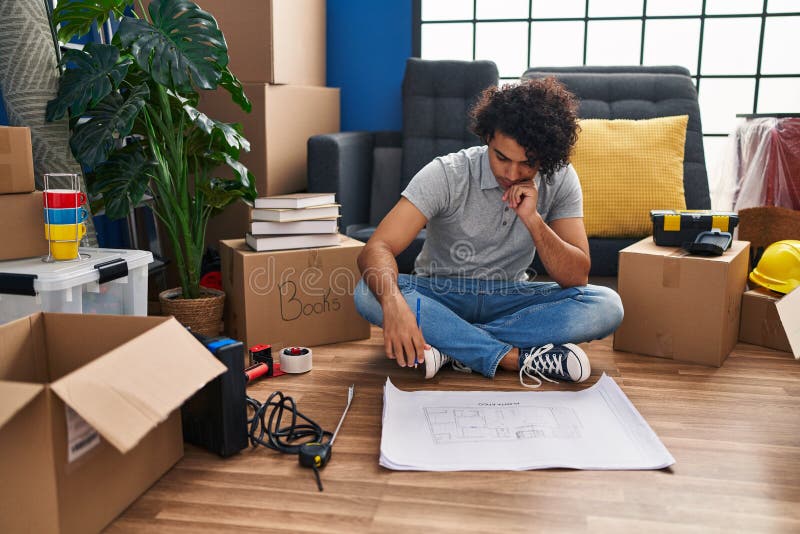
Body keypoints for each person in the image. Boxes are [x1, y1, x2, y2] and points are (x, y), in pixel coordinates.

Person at [354, 77, 624, 387]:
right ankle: (511, 357)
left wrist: (533, 219)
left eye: (528, 163)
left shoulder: (560, 178)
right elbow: (377, 248)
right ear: (487, 139)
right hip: (441, 293)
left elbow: (576, 277)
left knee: (605, 305)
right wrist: (394, 305)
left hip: (510, 296)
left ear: (547, 157)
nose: (511, 174)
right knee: (367, 291)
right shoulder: (447, 173)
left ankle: (450, 345)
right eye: (502, 157)